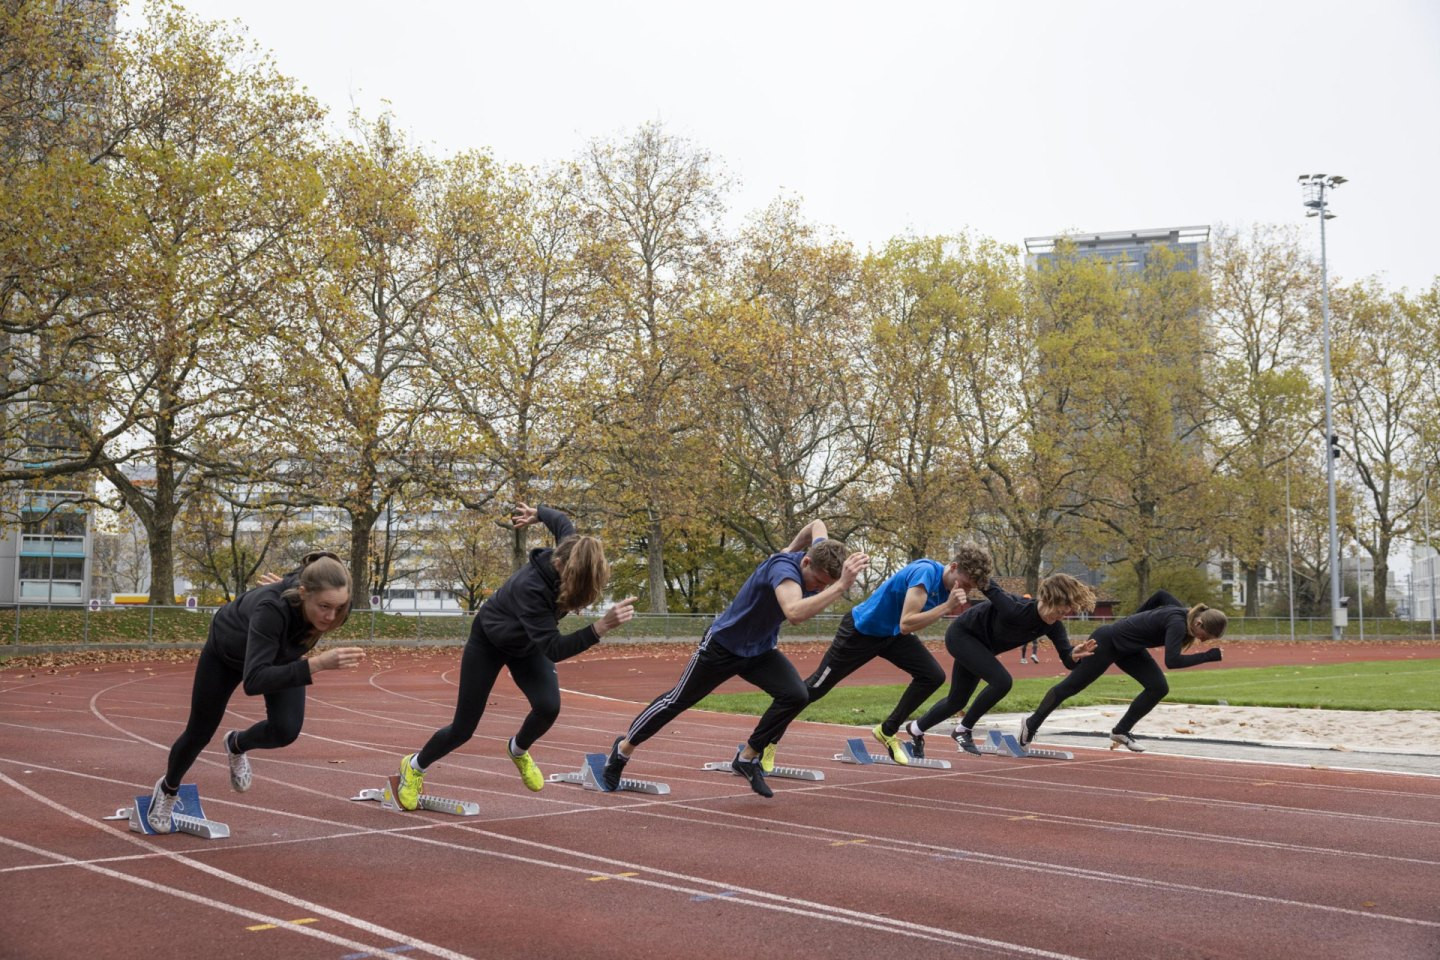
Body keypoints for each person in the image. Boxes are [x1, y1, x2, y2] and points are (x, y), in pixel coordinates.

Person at [601, 520, 868, 797]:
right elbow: (795, 613)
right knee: (676, 702)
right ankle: (621, 752)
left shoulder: (819, 553)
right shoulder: (785, 572)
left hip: (759, 651)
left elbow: (817, 524)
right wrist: (840, 587)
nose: (820, 588)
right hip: (722, 647)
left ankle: (746, 758)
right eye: (819, 582)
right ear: (807, 563)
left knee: (796, 695)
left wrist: (789, 547)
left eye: (827, 585)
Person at [395, 503, 635, 807]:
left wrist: (538, 512)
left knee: (548, 707)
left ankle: (517, 749)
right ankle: (414, 766)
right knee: (463, 729)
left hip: (527, 646)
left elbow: (560, 520)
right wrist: (600, 627)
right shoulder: (530, 588)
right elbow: (554, 649)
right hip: (489, 643)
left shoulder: (573, 547)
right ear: (560, 565)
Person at [146, 552, 364, 833]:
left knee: (286, 730)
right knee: (199, 731)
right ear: (303, 593)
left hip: (281, 654)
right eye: (323, 606)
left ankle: (237, 744)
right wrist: (318, 664)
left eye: (338, 607)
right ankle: (167, 790)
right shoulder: (271, 609)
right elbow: (255, 680)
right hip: (228, 653)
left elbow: (322, 564)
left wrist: (288, 590)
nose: (330, 616)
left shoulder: (334, 605)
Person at [768, 543, 993, 765]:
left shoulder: (948, 589)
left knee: (932, 675)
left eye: (969, 587)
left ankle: (887, 731)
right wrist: (946, 607)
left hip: (891, 635)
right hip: (860, 631)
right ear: (953, 567)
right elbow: (907, 623)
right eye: (963, 583)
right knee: (815, 688)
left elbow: (904, 626)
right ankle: (768, 740)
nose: (964, 590)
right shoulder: (925, 573)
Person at [905, 572, 1096, 755]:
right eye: (1057, 611)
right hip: (962, 635)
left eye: (1063, 614)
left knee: (957, 701)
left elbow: (1067, 659)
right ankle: (963, 729)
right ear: (1047, 598)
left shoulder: (1054, 626)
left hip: (980, 648)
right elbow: (987, 584)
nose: (1059, 617)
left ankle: (915, 729)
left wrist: (1074, 655)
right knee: (1002, 681)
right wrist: (972, 565)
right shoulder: (1014, 608)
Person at [1021, 589, 1226, 752]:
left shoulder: (1184, 613)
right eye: (1205, 635)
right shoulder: (1178, 623)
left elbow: (1161, 594)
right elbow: (1172, 661)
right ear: (1199, 622)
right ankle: (1031, 724)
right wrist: (1209, 655)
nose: (1204, 640)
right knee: (1071, 686)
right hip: (1107, 642)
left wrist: (1134, 619)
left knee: (1158, 687)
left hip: (1130, 649)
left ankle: (1121, 731)